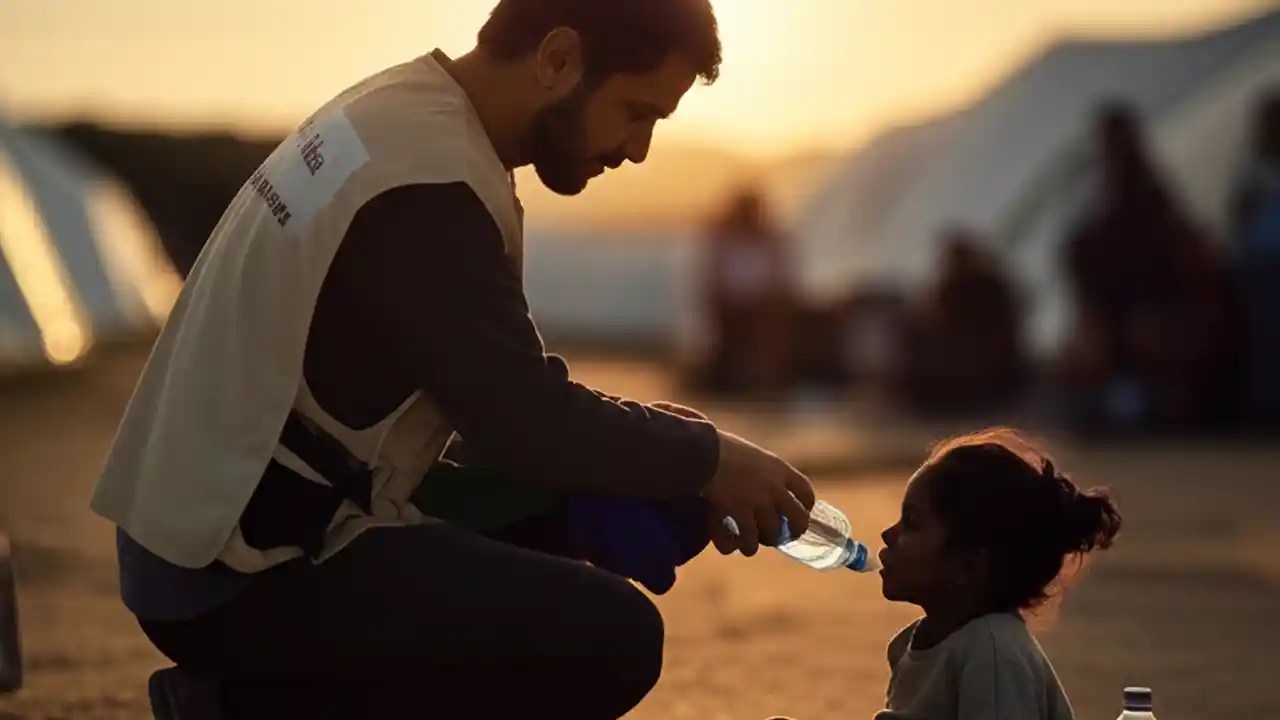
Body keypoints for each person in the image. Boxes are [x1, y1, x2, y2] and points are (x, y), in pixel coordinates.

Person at [89, 2, 816, 717]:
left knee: (570, 507)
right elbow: (522, 421)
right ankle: (249, 705)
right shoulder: (429, 187)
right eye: (638, 112)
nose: (638, 150)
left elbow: (485, 401)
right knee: (610, 639)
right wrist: (708, 457)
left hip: (207, 515)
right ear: (559, 58)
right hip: (236, 569)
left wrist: (639, 463)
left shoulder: (399, 112)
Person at [872, 429, 1121, 719]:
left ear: (968, 566)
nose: (888, 534)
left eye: (912, 522)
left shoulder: (992, 654)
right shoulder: (912, 645)